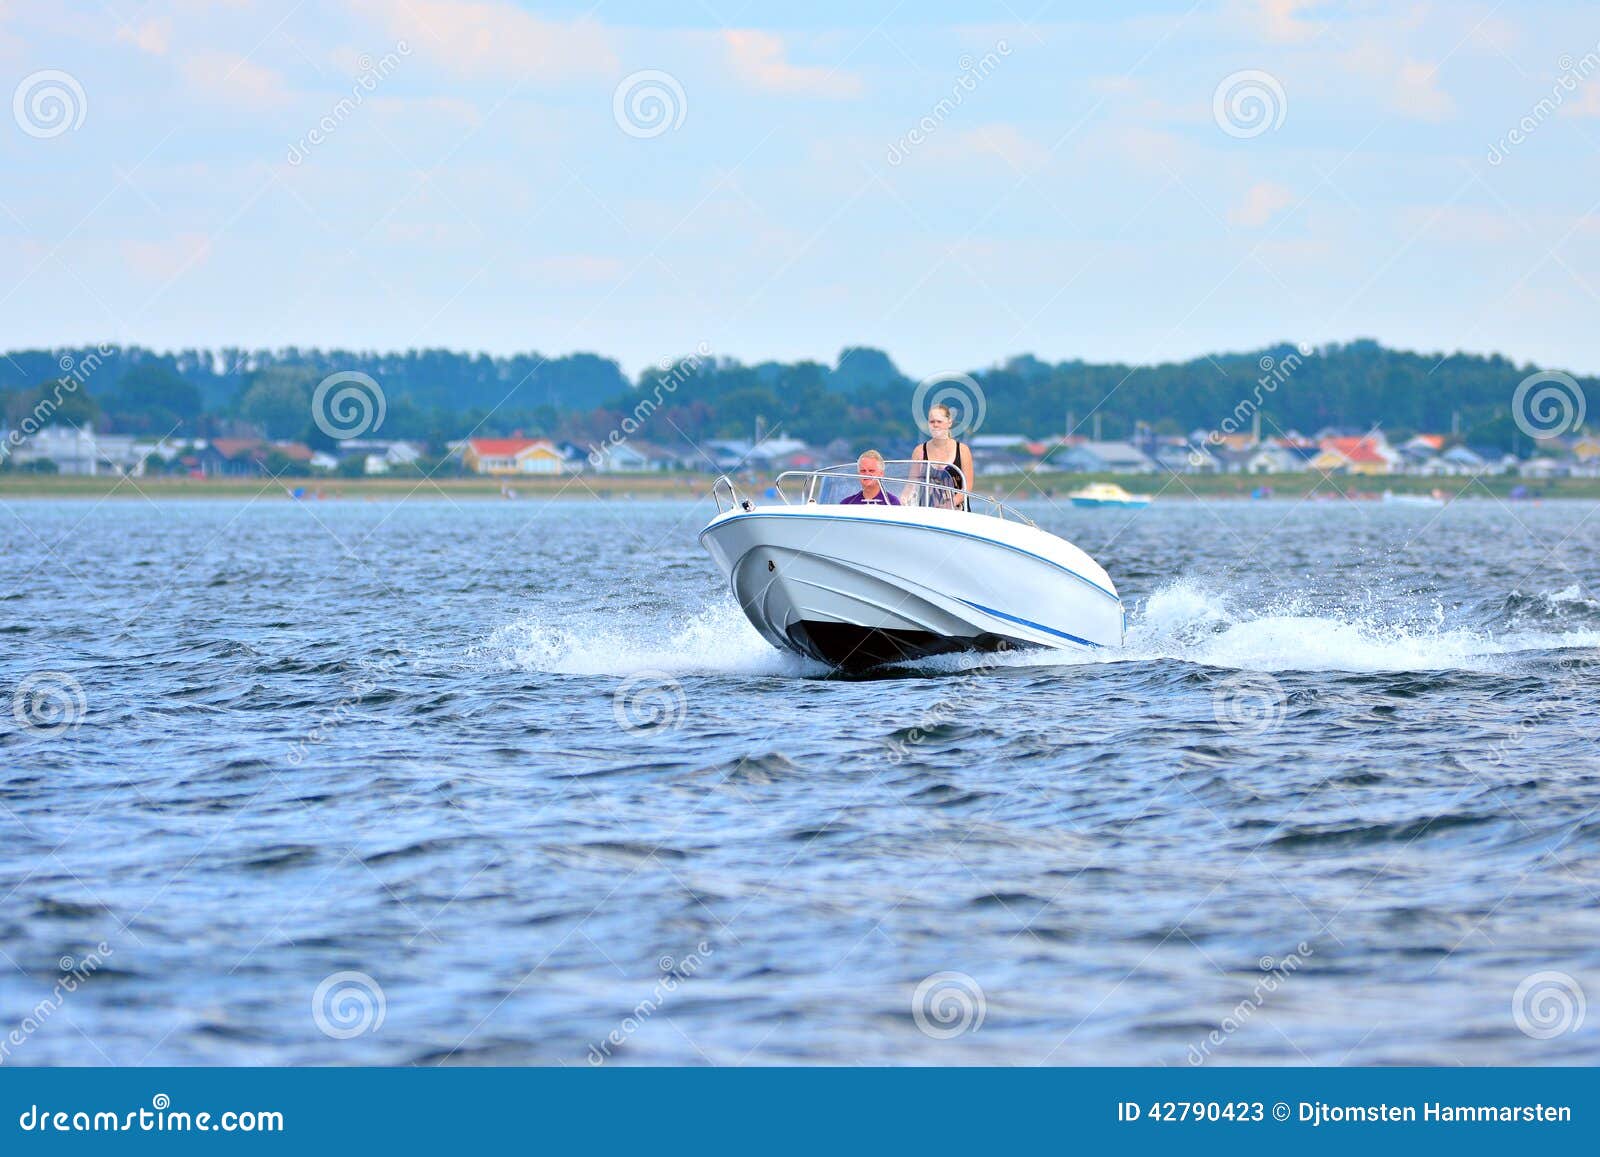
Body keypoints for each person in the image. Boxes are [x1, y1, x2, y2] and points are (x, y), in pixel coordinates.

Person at [911, 403, 974, 510]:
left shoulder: (963, 450)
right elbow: (911, 485)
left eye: (939, 421)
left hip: (958, 513)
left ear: (949, 423)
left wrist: (949, 504)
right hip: (927, 512)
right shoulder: (919, 451)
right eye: (932, 422)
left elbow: (967, 486)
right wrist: (901, 500)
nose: (935, 425)